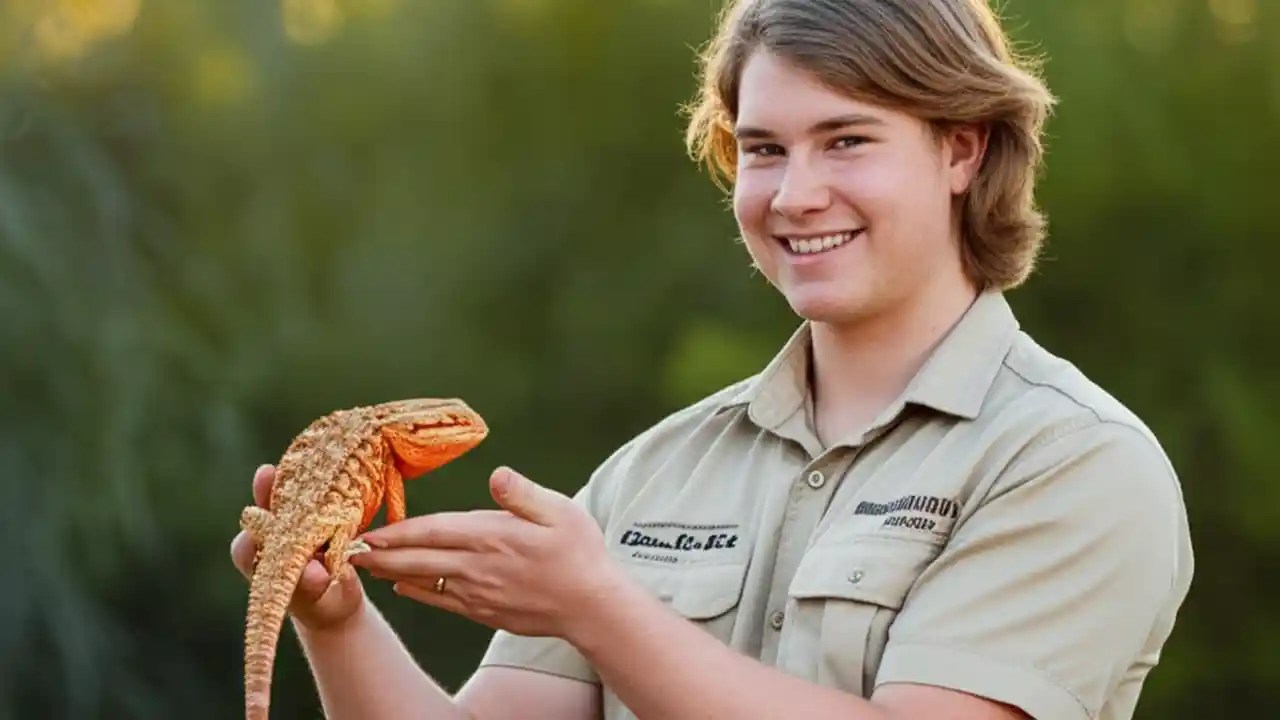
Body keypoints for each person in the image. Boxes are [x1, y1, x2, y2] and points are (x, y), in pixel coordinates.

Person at [229, 0, 1194, 718]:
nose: (795, 194)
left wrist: (599, 609)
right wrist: (336, 616)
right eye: (765, 149)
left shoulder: (1075, 464)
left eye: (847, 140)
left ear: (962, 152)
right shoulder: (655, 470)